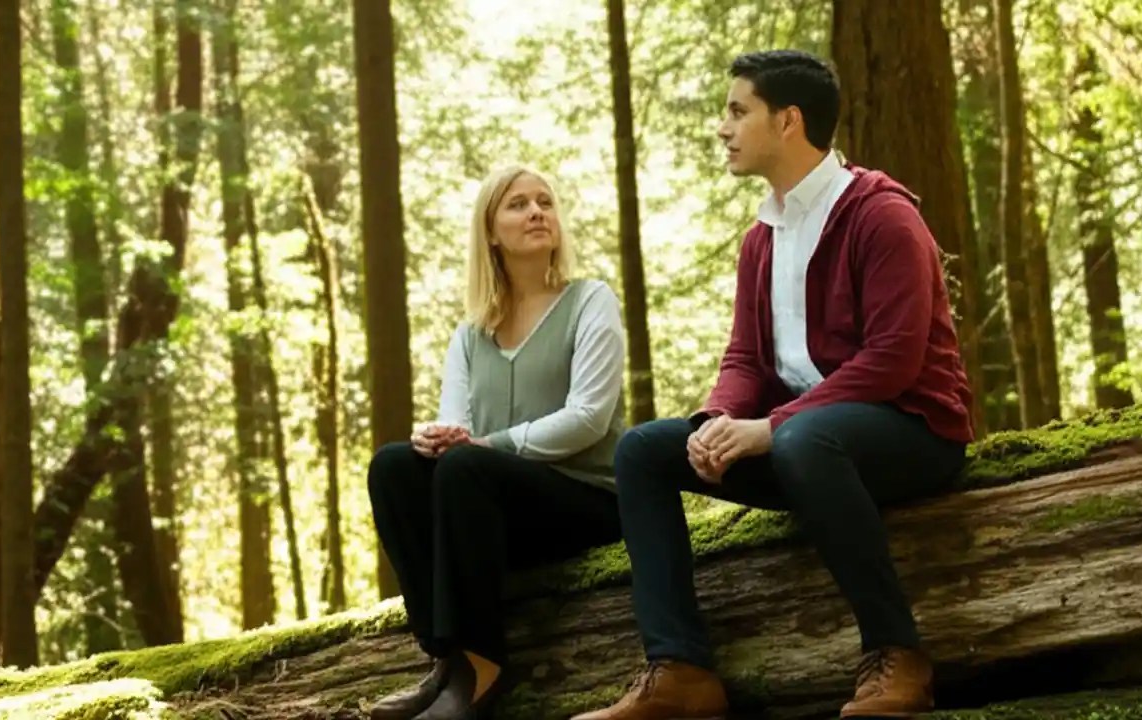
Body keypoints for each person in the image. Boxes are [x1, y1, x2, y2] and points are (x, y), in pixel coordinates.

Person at [572, 50, 975, 720]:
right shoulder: (761, 238)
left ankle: (899, 656)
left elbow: (894, 360)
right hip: (803, 443)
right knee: (643, 450)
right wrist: (717, 422)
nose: (722, 127)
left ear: (788, 120)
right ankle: (681, 672)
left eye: (738, 111)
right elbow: (747, 360)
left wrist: (772, 428)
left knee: (806, 442)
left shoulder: (881, 216)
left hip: (911, 431)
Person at [366, 165, 628, 720]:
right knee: (394, 465)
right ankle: (448, 657)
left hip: (587, 502)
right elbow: (456, 426)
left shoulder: (590, 301)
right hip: (492, 507)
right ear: (490, 231)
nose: (536, 212)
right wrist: (433, 438)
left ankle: (485, 669)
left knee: (467, 468)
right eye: (517, 204)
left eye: (544, 202)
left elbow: (588, 417)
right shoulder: (471, 332)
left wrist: (486, 445)